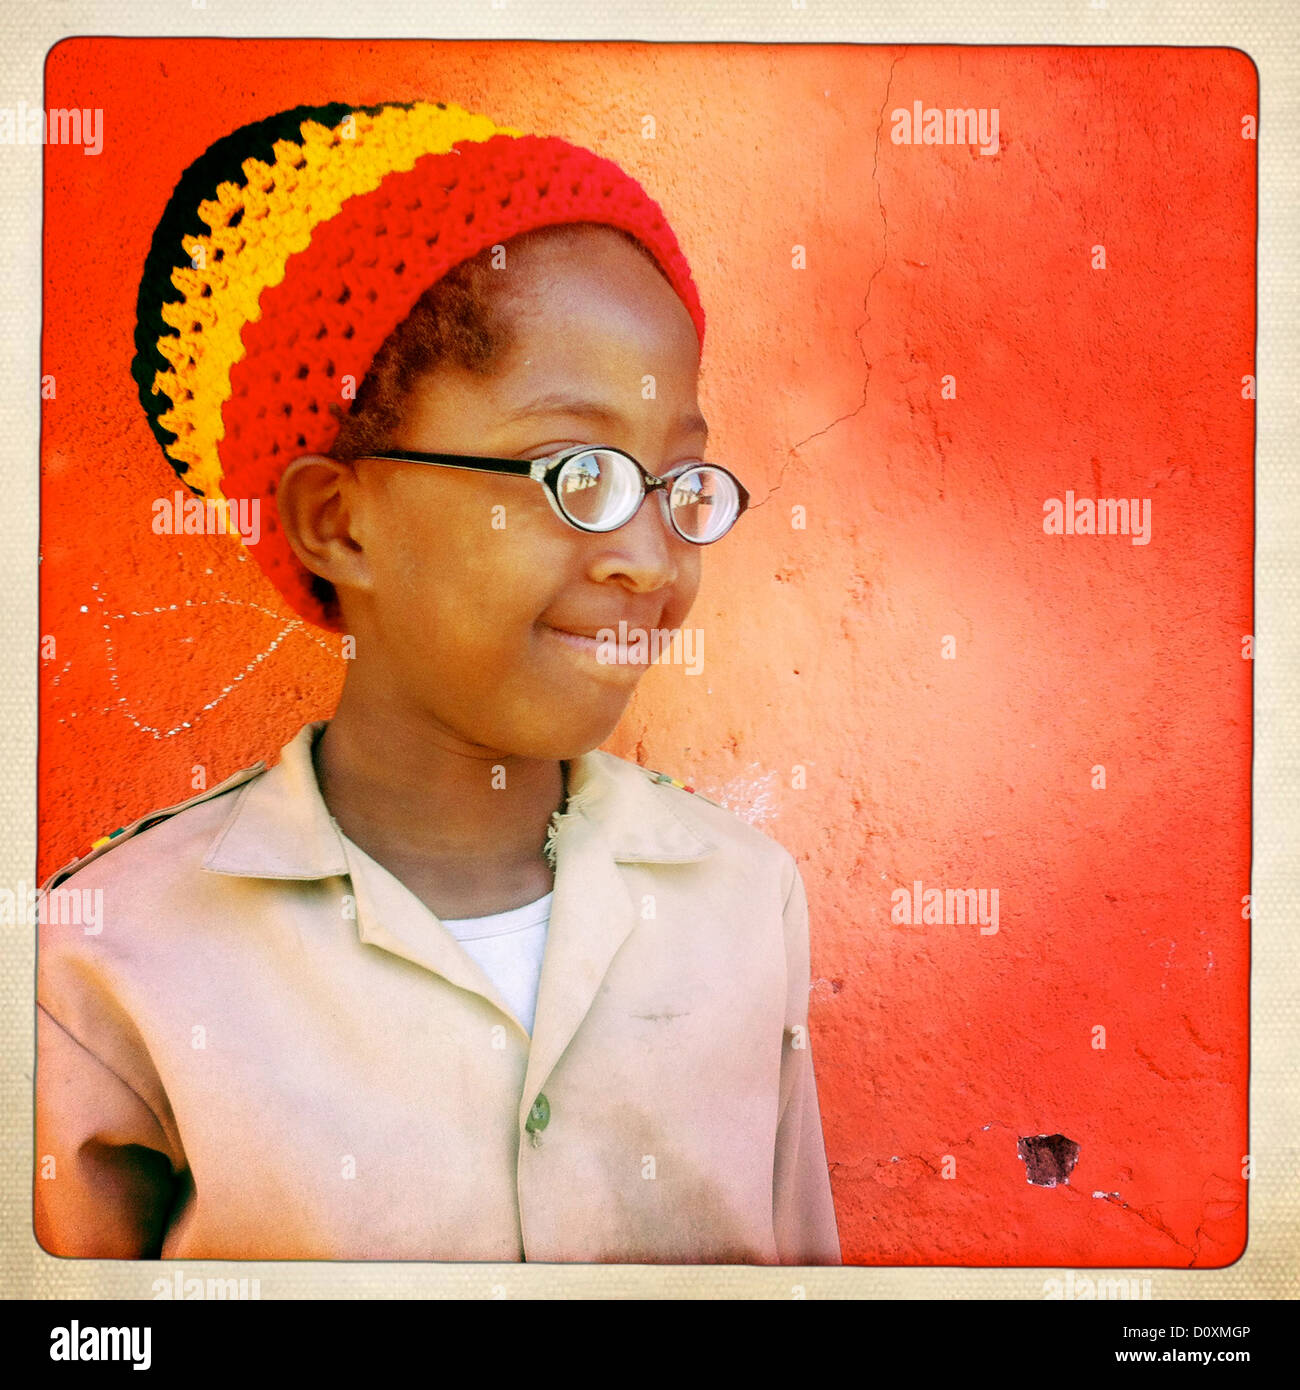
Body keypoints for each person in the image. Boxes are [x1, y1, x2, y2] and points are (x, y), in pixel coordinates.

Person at [35, 99, 841, 1264]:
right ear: (339, 523)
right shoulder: (111, 960)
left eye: (680, 481)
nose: (652, 555)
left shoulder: (740, 898)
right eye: (576, 471)